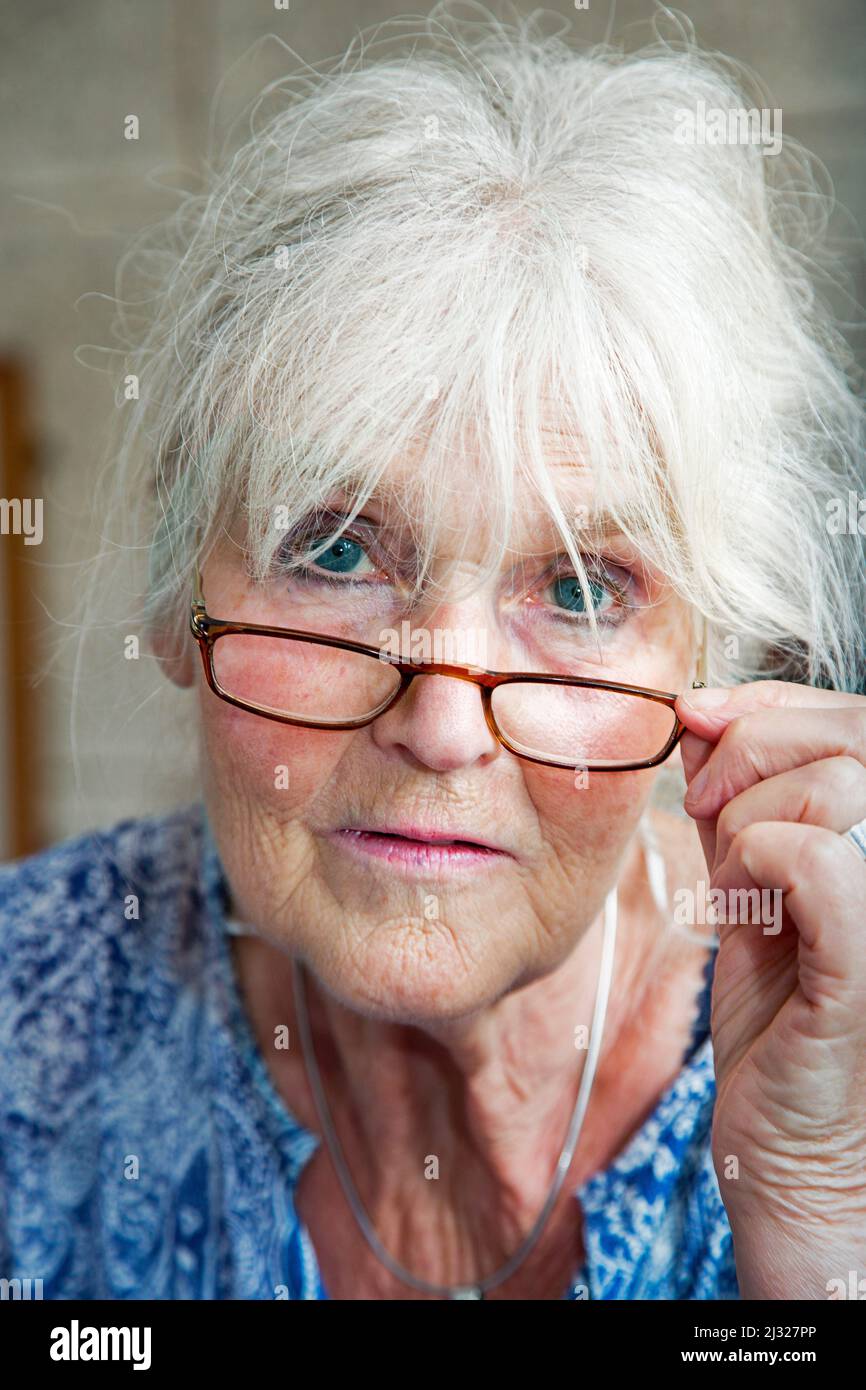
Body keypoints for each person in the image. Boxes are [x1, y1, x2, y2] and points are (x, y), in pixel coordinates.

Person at [1, 4, 865, 1300]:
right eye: (337, 551)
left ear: (714, 665)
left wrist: (815, 1225)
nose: (444, 724)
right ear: (184, 585)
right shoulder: (29, 1011)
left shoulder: (838, 1035)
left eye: (579, 585)